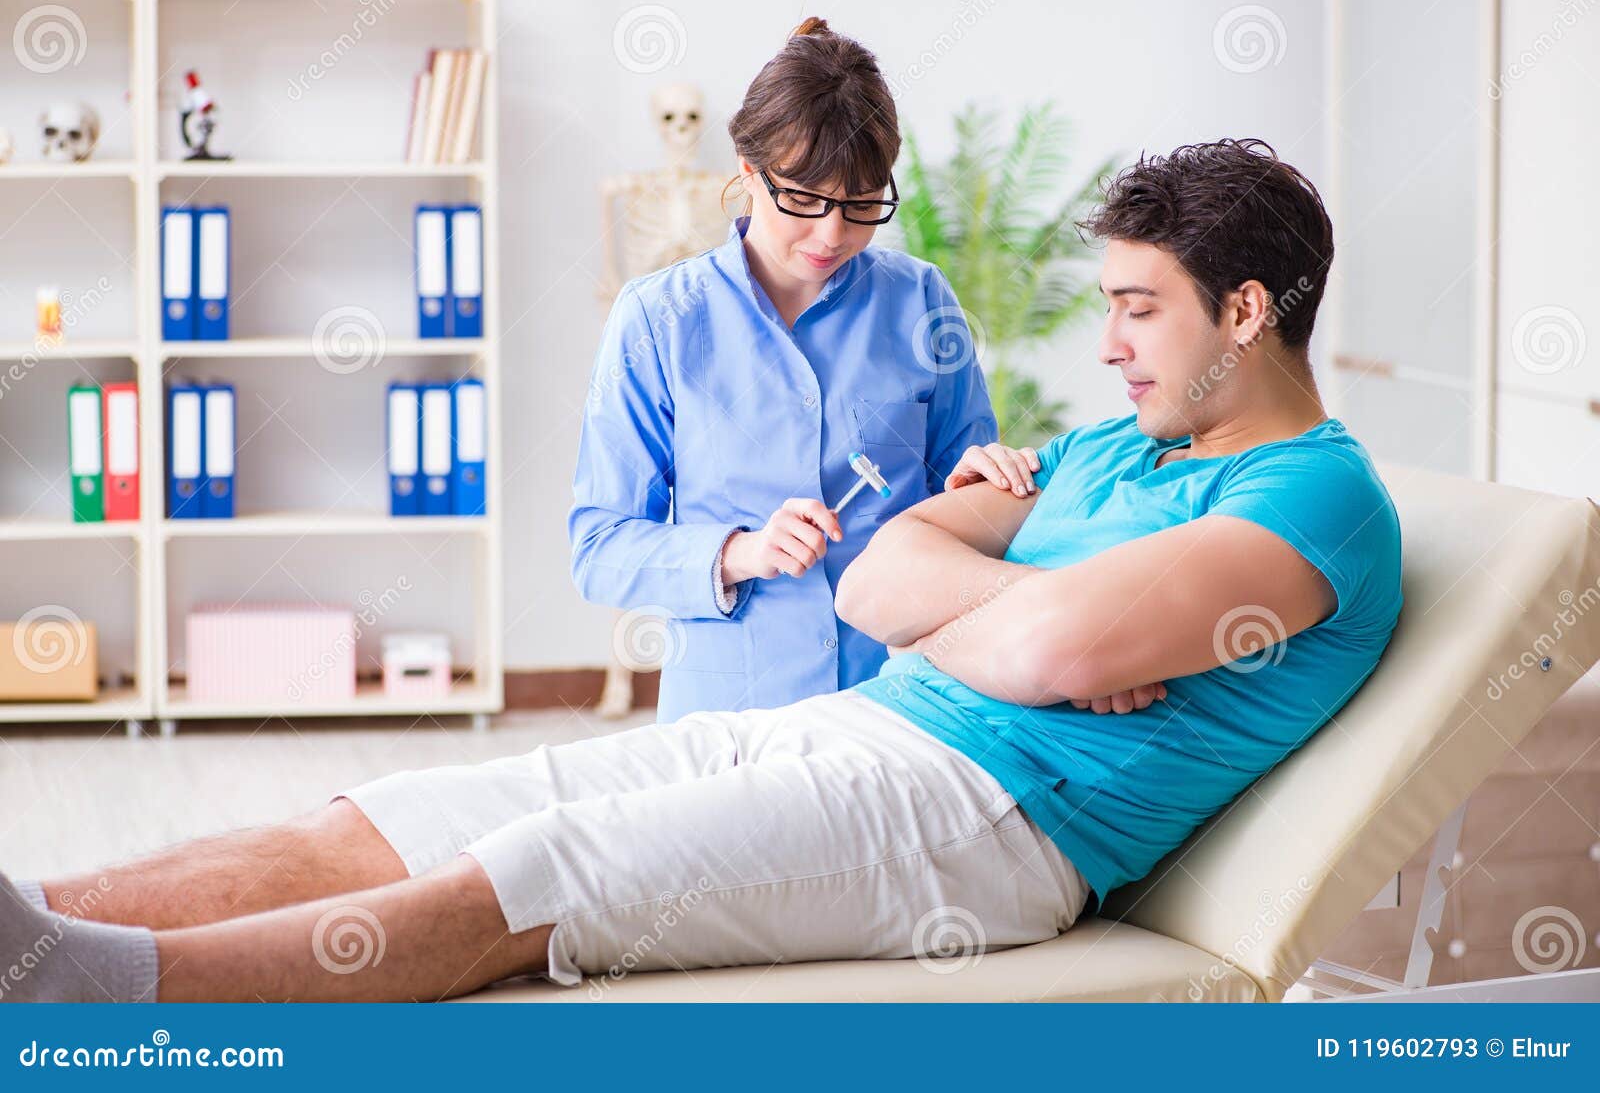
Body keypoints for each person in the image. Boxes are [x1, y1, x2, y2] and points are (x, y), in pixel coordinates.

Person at [3, 139, 1401, 1003]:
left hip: (994, 822)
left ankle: (87, 993)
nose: (1108, 345)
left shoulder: (1314, 495)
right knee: (421, 805)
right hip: (860, 724)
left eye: (1138, 309)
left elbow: (1031, 650)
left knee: (541, 868)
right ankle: (38, 921)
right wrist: (1035, 617)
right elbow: (873, 582)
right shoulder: (1112, 451)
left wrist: (1008, 621)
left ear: (1245, 310)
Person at [570, 17, 1039, 722]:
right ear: (748, 170)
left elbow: (968, 503)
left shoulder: (919, 301)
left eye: (861, 205)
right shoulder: (658, 318)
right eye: (804, 199)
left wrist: (984, 483)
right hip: (732, 715)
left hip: (900, 698)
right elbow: (600, 548)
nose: (832, 233)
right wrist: (740, 552)